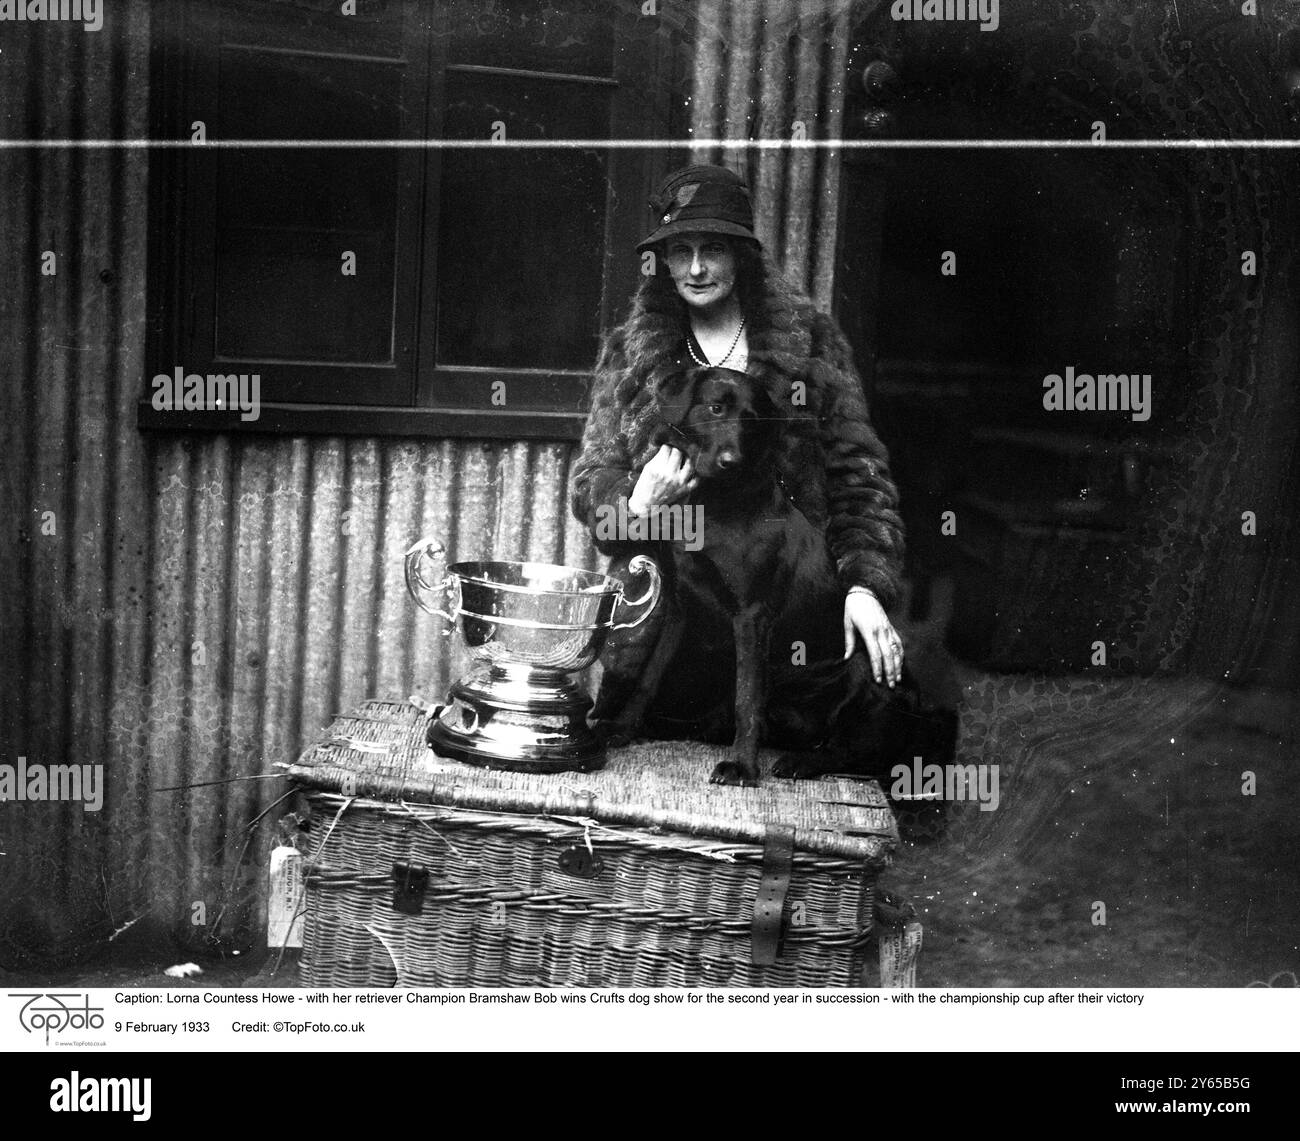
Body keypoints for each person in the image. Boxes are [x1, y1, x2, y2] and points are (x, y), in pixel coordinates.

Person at [570, 162, 907, 742]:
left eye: (713, 249)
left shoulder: (809, 345)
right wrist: (634, 500)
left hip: (784, 613)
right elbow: (590, 482)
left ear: (741, 254)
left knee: (817, 730)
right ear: (666, 259)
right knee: (654, 734)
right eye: (682, 250)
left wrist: (864, 585)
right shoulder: (632, 354)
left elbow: (857, 472)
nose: (696, 268)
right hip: (675, 612)